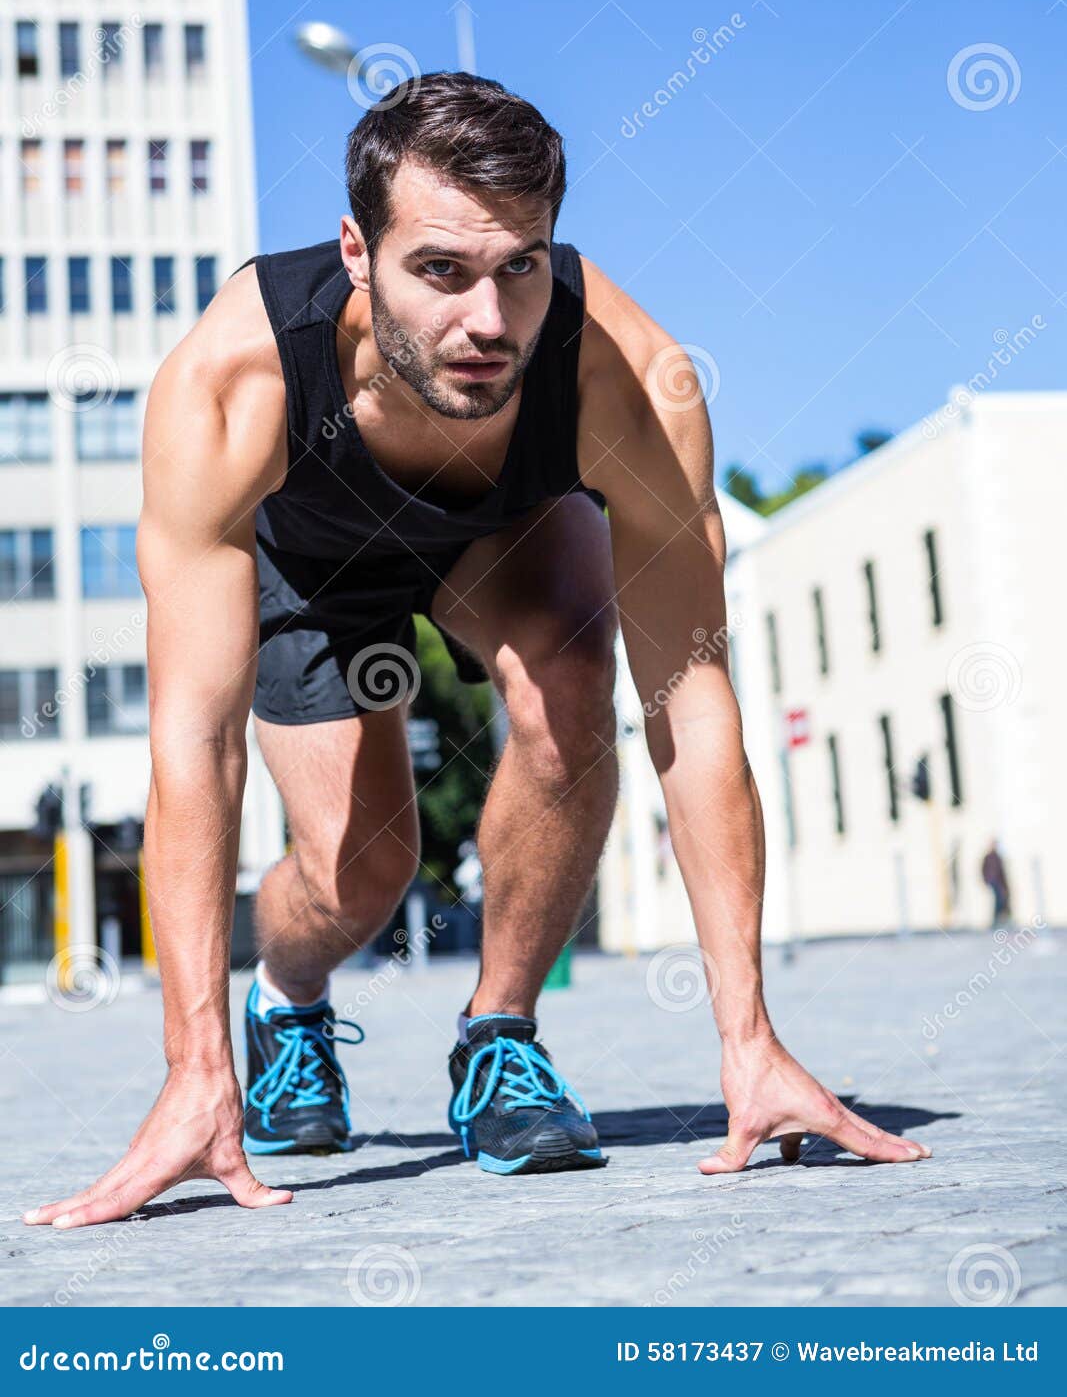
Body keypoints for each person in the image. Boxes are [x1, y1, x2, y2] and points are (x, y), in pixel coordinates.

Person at [25, 72, 930, 1230]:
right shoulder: (230, 386)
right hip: (315, 559)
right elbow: (192, 744)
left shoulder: (632, 382)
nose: (490, 324)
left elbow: (692, 710)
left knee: (569, 673)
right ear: (358, 251)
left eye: (522, 267)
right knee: (367, 867)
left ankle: (498, 1037)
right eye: (441, 272)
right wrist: (192, 1069)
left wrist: (747, 1038)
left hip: (503, 526)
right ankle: (287, 1002)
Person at [981, 840, 1012, 928]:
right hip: (993, 882)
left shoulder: (998, 857)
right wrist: (986, 880)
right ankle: (996, 921)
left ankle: (1000, 920)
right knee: (997, 900)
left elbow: (1002, 872)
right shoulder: (988, 857)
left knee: (1001, 900)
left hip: (999, 882)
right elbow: (984, 869)